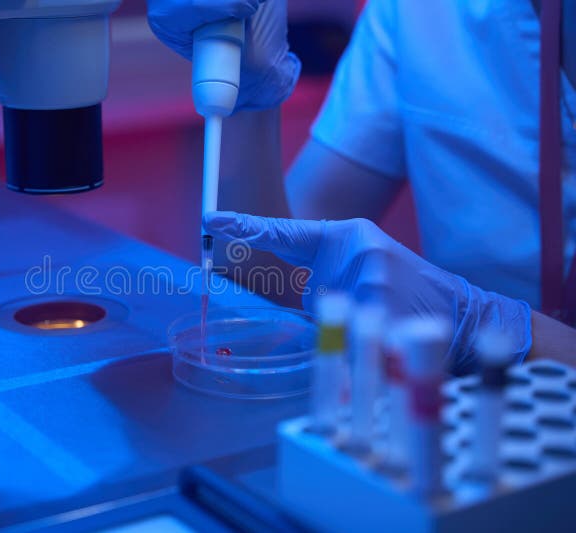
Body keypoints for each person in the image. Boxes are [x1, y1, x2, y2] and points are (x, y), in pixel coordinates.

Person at [147, 0, 576, 372]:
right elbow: (274, 274)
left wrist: (486, 327)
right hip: (470, 424)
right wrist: (251, 92)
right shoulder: (419, 12)